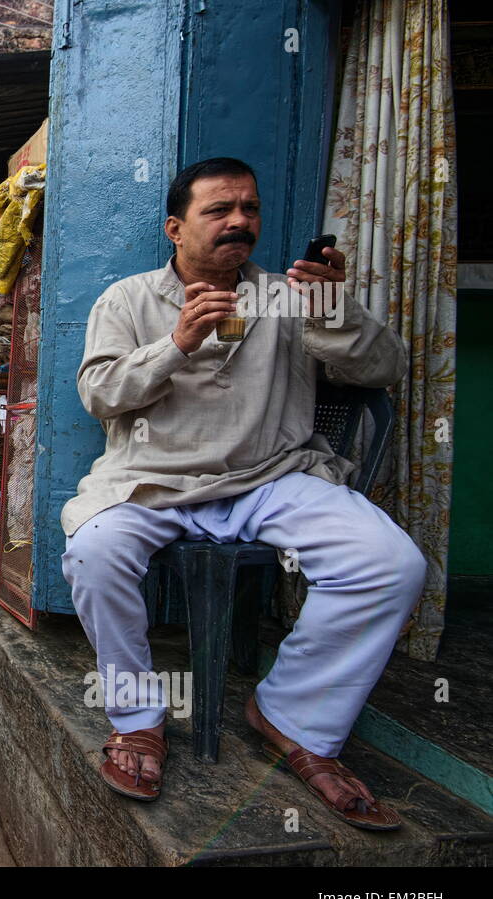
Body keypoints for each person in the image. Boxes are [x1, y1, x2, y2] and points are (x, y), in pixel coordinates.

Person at [60, 157, 422, 829]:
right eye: (219, 211)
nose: (239, 223)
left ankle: (292, 716)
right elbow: (99, 395)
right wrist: (174, 345)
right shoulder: (128, 300)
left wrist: (333, 309)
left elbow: (385, 368)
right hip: (153, 478)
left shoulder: (289, 296)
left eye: (249, 210)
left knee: (391, 563)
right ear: (176, 227)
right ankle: (139, 722)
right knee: (94, 551)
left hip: (272, 476)